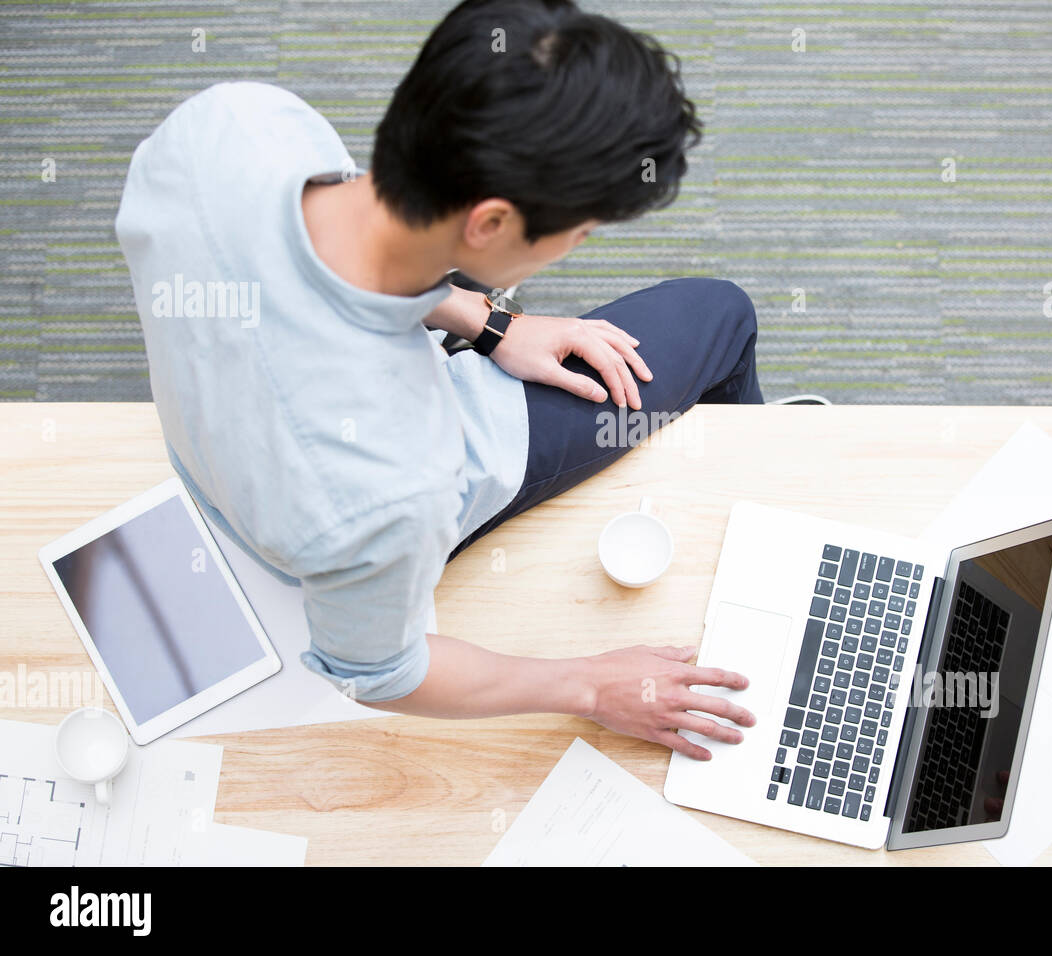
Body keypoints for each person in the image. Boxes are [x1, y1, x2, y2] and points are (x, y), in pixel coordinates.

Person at [115, 0, 764, 761]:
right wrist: (588, 687)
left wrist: (488, 322)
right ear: (489, 224)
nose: (578, 244)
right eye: (582, 231)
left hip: (222, 463)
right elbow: (376, 673)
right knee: (723, 314)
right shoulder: (401, 485)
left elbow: (353, 244)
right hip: (347, 528)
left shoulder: (233, 125)